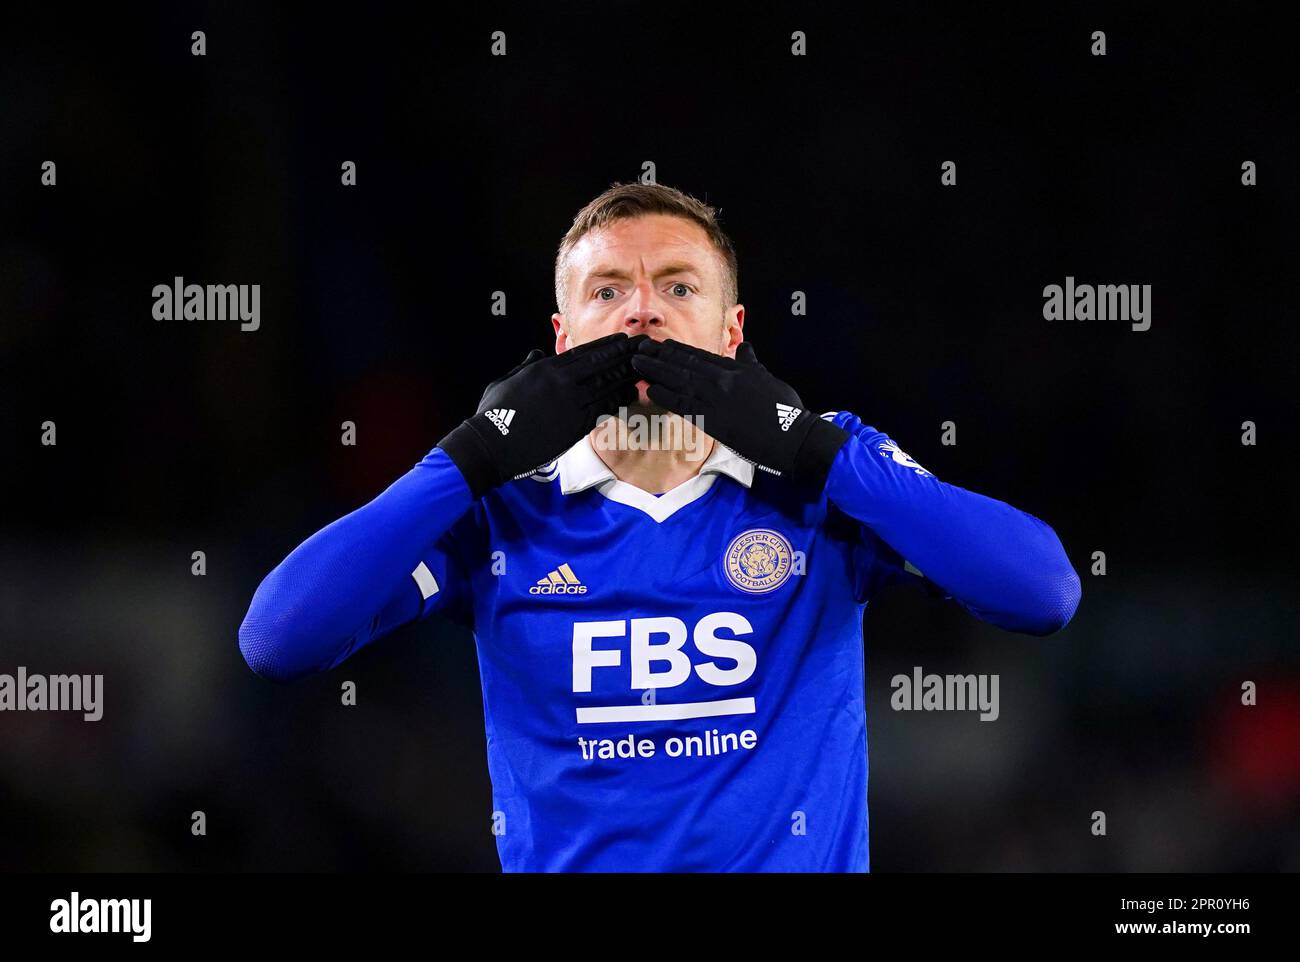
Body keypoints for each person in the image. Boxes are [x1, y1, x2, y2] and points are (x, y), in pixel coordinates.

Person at [239, 182, 1081, 871]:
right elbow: (278, 639)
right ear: (562, 340)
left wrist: (808, 445)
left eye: (679, 287)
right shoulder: (497, 509)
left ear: (732, 331)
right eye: (610, 291)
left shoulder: (823, 478)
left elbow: (1041, 590)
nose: (643, 313)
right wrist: (466, 458)